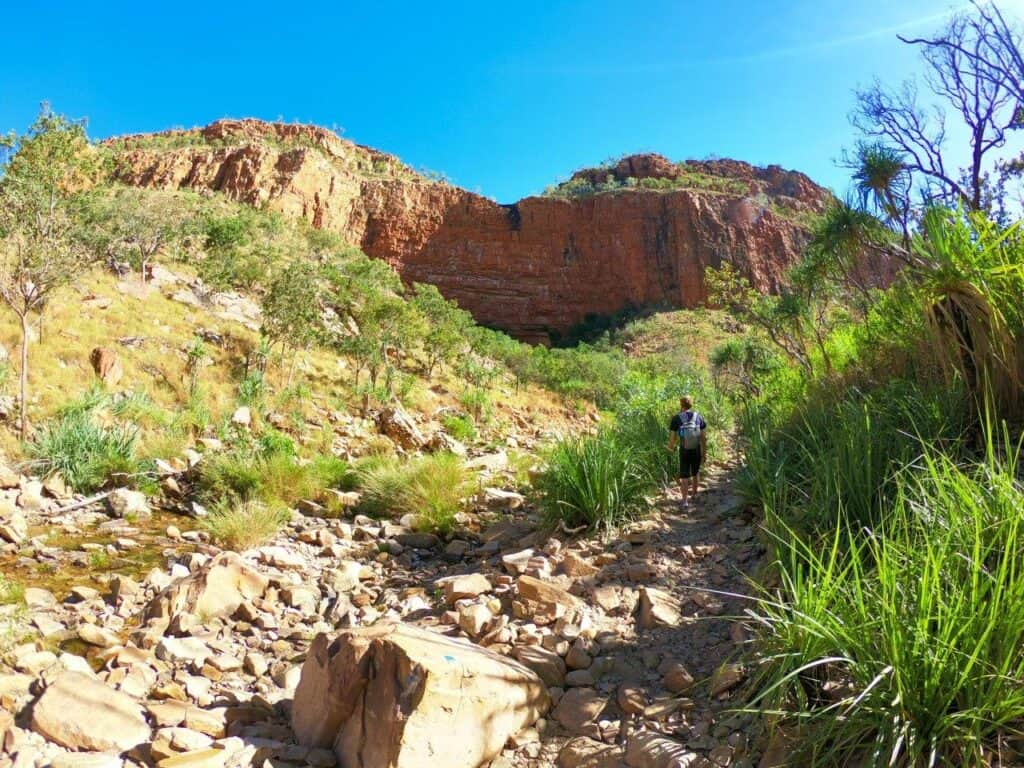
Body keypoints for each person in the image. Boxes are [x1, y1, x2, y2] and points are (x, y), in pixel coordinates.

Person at [667, 395, 707, 508]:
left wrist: (670, 448)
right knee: (695, 473)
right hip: (696, 449)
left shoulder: (676, 418)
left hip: (684, 450)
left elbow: (673, 439)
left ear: (681, 405)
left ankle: (685, 502)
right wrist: (704, 453)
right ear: (691, 404)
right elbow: (703, 438)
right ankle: (694, 495)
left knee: (684, 476)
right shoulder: (698, 417)